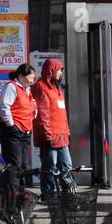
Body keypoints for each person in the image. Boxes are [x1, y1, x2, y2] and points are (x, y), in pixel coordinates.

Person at [33, 58, 71, 198]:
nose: (61, 73)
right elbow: (43, 114)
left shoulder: (57, 88)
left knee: (66, 166)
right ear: (51, 70)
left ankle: (68, 192)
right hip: (50, 136)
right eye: (59, 70)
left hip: (62, 135)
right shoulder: (41, 87)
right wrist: (47, 135)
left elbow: (61, 113)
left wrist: (67, 132)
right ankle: (48, 194)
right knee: (50, 167)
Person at [0, 63, 37, 186]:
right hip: (13, 132)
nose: (32, 81)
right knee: (15, 165)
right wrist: (11, 125)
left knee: (23, 166)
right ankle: (11, 197)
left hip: (25, 131)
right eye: (30, 78)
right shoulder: (12, 87)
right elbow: (4, 106)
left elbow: (29, 107)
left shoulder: (27, 90)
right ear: (21, 75)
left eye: (33, 78)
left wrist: (34, 112)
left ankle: (20, 195)